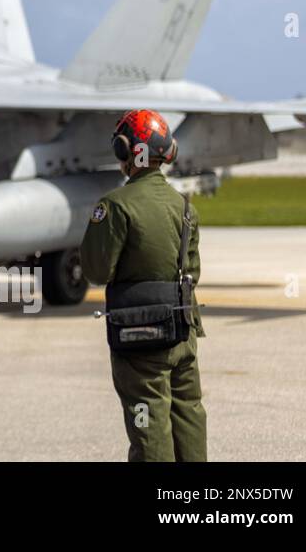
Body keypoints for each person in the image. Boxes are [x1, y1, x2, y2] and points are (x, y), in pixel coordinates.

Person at [80, 109, 206, 462]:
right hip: (184, 331)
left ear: (125, 151)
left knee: (147, 417)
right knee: (188, 412)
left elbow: (96, 270)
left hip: (140, 334)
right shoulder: (184, 207)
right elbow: (192, 271)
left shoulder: (114, 206)